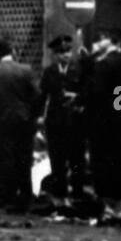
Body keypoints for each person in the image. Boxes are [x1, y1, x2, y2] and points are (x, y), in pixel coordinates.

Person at [85, 26, 121, 206]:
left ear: (108, 41)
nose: (96, 44)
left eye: (100, 40)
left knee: (106, 158)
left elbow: (96, 92)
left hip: (106, 121)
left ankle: (108, 194)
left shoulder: (103, 64)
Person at [0, 39, 39, 211]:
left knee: (4, 159)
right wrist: (32, 116)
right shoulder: (25, 70)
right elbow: (37, 96)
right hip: (24, 122)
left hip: (2, 122)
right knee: (24, 159)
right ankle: (25, 197)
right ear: (14, 51)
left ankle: (6, 196)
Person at [40, 33, 89, 199]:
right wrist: (40, 117)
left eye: (68, 52)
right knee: (57, 158)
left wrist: (77, 98)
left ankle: (77, 192)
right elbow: (43, 95)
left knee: (77, 158)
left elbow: (87, 91)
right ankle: (60, 191)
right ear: (55, 55)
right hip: (55, 121)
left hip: (76, 121)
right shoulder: (49, 72)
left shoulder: (80, 69)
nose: (66, 55)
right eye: (61, 52)